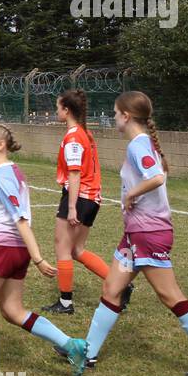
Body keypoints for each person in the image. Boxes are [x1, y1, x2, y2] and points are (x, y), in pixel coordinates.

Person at [72, 92, 188, 376]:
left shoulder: (139, 144)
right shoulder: (141, 143)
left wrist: (132, 193)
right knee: (111, 290)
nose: (113, 118)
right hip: (136, 234)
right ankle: (88, 351)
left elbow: (156, 176)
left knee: (170, 295)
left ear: (126, 116)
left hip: (149, 233)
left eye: (115, 113)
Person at [0, 123, 86, 376]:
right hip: (13, 249)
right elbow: (7, 215)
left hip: (3, 249)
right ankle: (71, 345)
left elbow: (21, 220)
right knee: (12, 310)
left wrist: (39, 259)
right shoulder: (12, 171)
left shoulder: (3, 175)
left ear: (0, 145)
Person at [41, 88, 116, 314]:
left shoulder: (74, 136)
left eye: (57, 107)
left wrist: (71, 207)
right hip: (92, 197)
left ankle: (65, 303)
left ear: (66, 110)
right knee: (77, 250)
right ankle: (121, 283)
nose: (56, 111)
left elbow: (75, 173)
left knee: (62, 247)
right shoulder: (85, 133)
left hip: (80, 197)